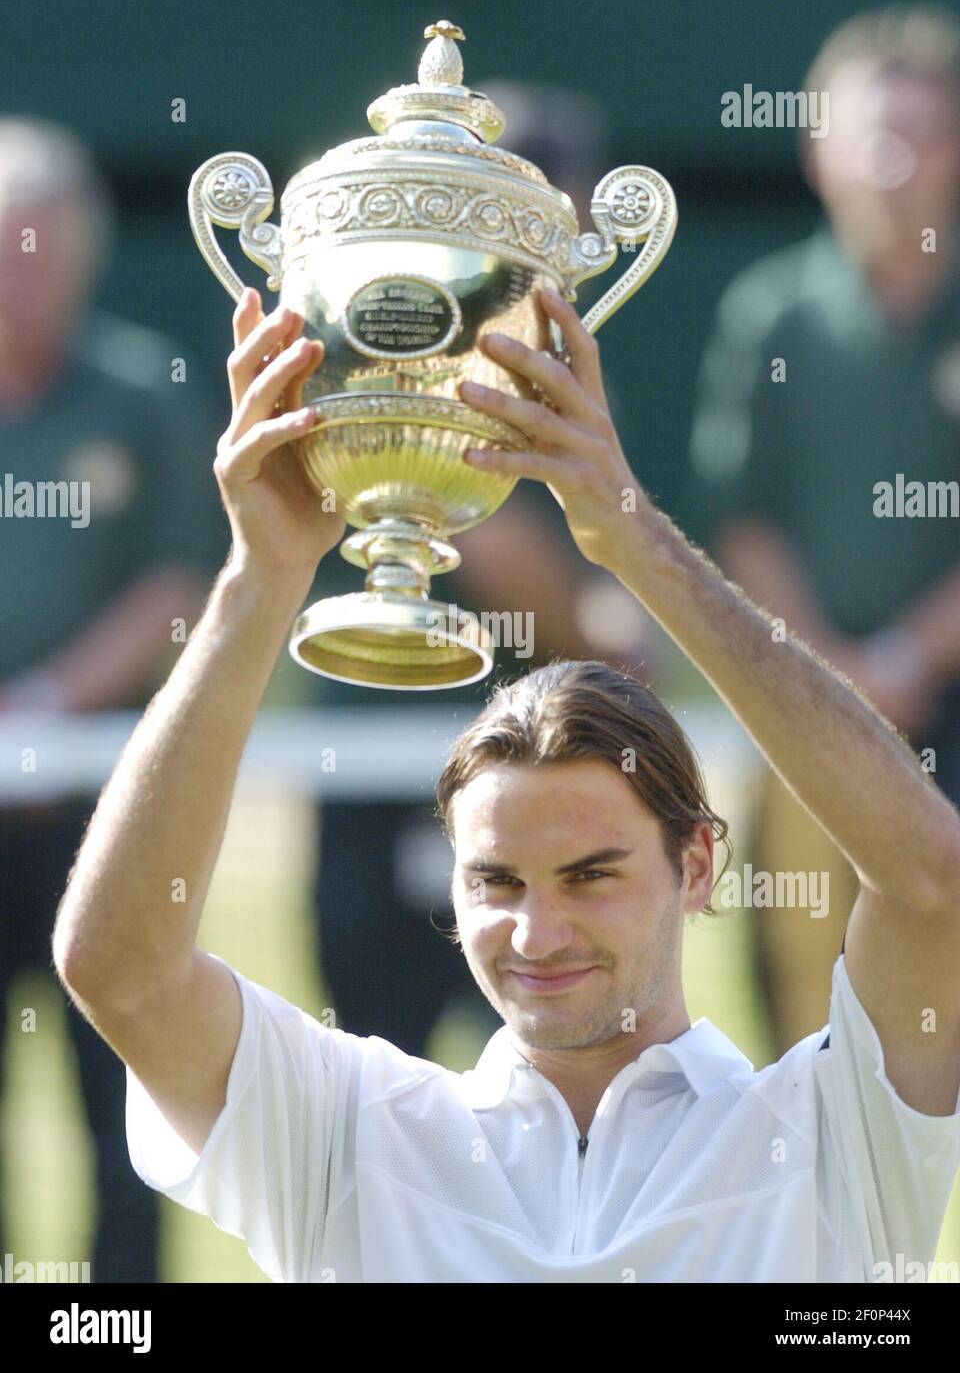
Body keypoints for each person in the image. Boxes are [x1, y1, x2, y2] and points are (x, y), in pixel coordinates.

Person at [51, 285, 960, 1282]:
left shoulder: (831, 1134)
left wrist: (633, 540)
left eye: (589, 875)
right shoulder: (352, 1132)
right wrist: (258, 579)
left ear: (698, 863)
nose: (537, 933)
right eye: (497, 881)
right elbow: (119, 969)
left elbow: (929, 881)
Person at [300, 80, 654, 1058]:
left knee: (548, 1070)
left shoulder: (552, 341)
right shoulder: (451, 329)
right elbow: (498, 546)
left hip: (512, 763)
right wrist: (608, 638)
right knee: (384, 1067)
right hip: (391, 748)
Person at [688, 4, 960, 1054]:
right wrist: (832, 672)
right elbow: (740, 515)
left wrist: (903, 657)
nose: (896, 164)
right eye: (872, 136)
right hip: (808, 710)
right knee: (805, 999)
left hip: (938, 697)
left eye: (924, 136)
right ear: (819, 153)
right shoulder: (772, 317)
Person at [0, 117, 227, 1280]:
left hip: (105, 805)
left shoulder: (141, 392)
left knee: (122, 1083)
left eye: (41, 243)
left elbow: (179, 581)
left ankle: (119, 1316)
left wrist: (46, 703)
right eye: (2, 242)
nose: (18, 267)